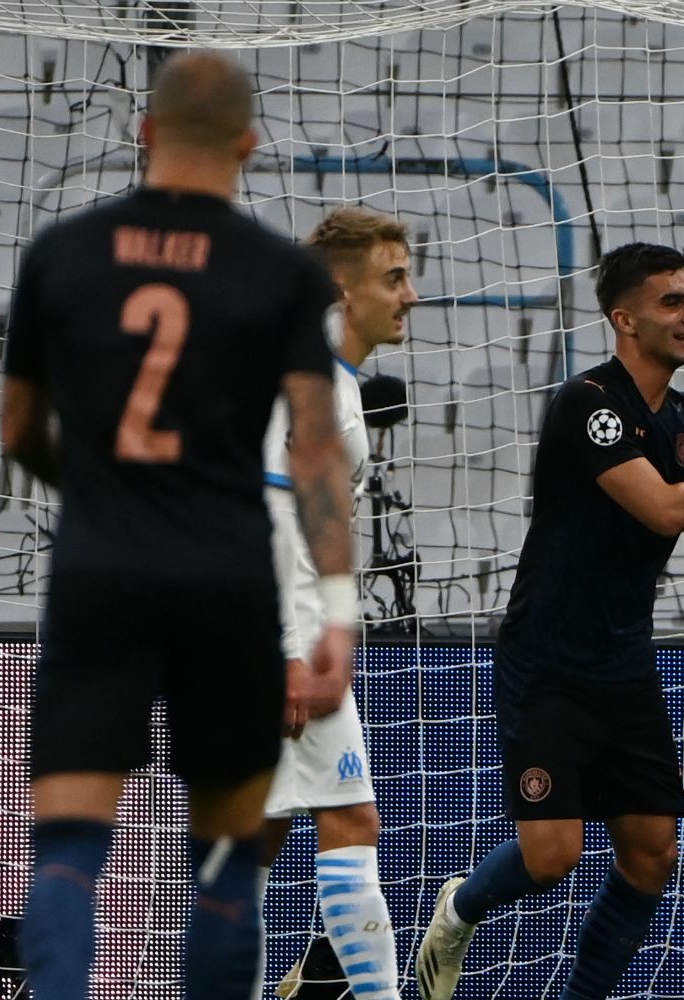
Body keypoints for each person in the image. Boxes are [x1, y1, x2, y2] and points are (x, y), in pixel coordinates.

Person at [0, 52, 358, 1000]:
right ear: (248, 143)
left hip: (100, 571)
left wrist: (99, 493)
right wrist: (337, 610)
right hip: (228, 580)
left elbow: (15, 431)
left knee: (70, 848)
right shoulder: (282, 273)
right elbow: (318, 453)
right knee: (227, 862)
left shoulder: (61, 255)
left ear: (145, 131)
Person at [411, 242, 684, 1000]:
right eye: (674, 301)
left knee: (651, 852)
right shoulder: (588, 404)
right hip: (550, 658)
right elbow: (666, 509)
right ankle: (457, 910)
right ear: (622, 318)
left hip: (624, 663)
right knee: (552, 856)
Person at [254, 207, 418, 1000]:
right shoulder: (313, 387)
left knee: (252, 842)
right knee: (351, 821)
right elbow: (273, 521)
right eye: (394, 278)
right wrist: (289, 649)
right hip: (282, 639)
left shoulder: (325, 382)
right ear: (342, 291)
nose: (409, 295)